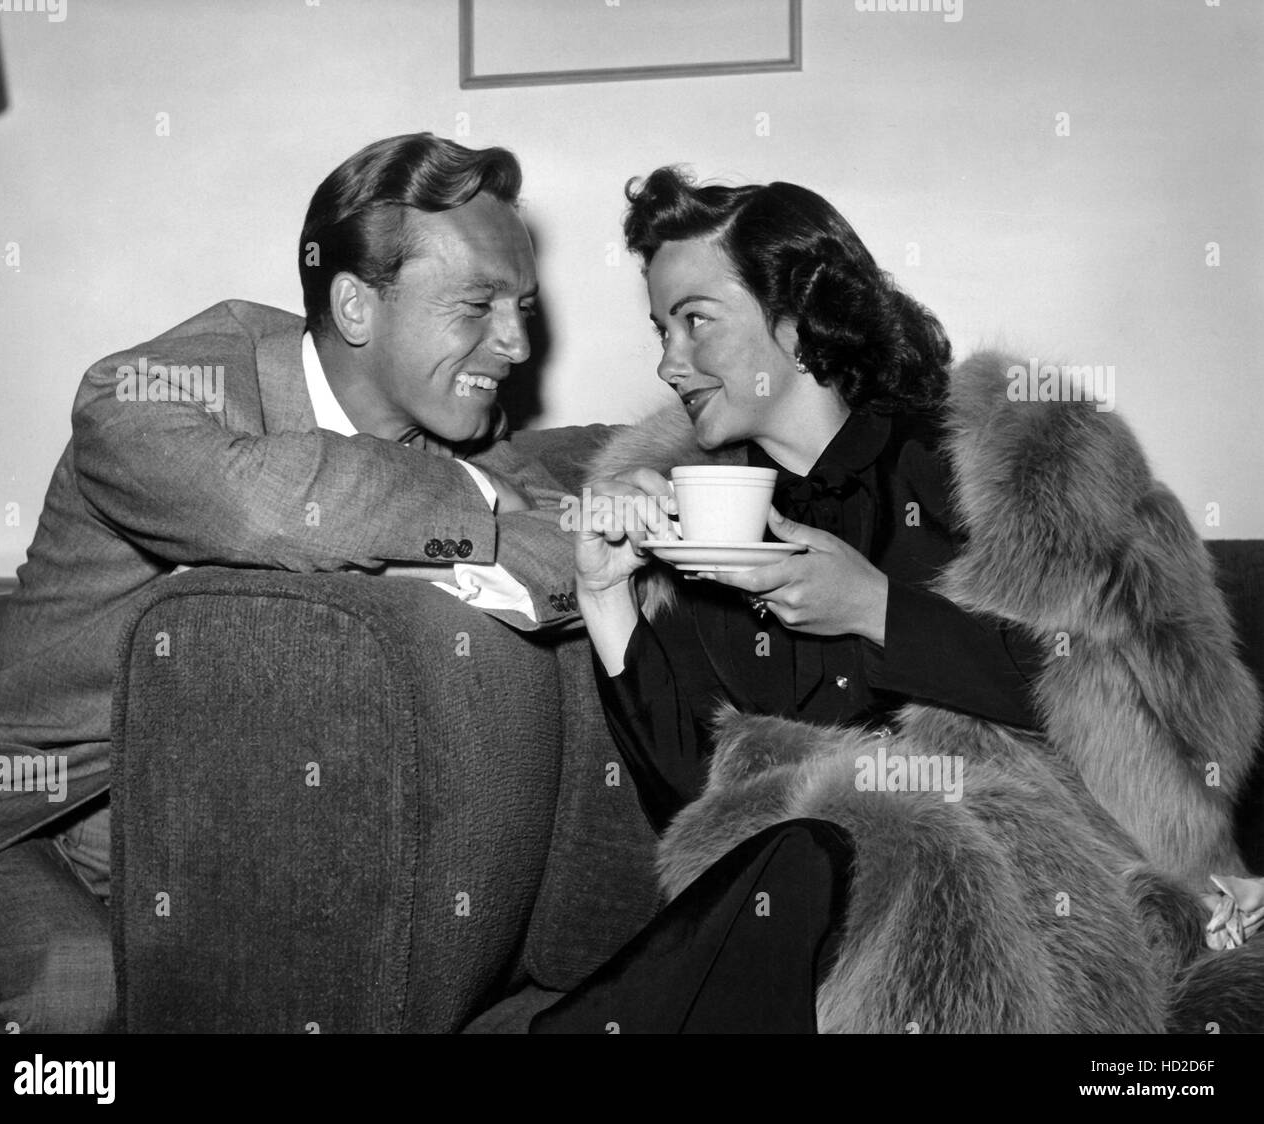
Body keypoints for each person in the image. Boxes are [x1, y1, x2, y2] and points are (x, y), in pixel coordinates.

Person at [532, 166, 1259, 1033]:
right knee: (819, 844)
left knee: (901, 837)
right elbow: (699, 809)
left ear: (799, 321)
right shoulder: (692, 526)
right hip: (813, 929)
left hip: (1053, 907)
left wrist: (877, 608)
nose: (666, 362)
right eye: (660, 330)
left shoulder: (988, 470)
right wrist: (607, 597)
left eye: (695, 322)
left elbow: (1135, 712)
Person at [0, 133, 582, 1033]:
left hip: (213, 845)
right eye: (478, 304)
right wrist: (474, 503)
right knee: (74, 988)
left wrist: (498, 518)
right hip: (22, 816)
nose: (519, 341)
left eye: (522, 305)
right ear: (356, 307)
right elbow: (263, 511)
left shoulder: (454, 422)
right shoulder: (153, 392)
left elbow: (568, 549)